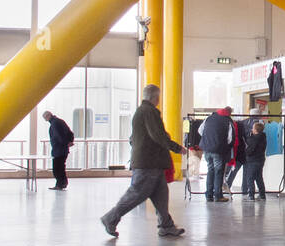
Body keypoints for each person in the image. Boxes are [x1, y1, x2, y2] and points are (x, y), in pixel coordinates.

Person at [100, 84, 186, 237]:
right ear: (156, 97)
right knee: (136, 194)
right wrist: (177, 148)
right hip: (149, 162)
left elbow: (136, 137)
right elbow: (158, 136)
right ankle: (110, 218)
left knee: (161, 195)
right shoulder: (149, 112)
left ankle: (166, 225)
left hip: (153, 162)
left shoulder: (142, 112)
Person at [199, 106, 236, 202]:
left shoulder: (209, 117)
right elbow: (231, 138)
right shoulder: (228, 121)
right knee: (218, 172)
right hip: (219, 150)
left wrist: (208, 139)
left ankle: (209, 195)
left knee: (210, 170)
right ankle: (218, 195)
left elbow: (200, 130)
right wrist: (226, 147)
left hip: (207, 149)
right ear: (229, 113)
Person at [42, 110, 75, 190]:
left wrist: (66, 143)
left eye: (45, 118)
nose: (45, 120)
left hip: (59, 149)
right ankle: (62, 184)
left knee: (57, 169)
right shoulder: (60, 121)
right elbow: (70, 133)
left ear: (48, 116)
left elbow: (58, 136)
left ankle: (60, 184)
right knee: (61, 167)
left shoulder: (54, 124)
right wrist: (70, 141)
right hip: (63, 149)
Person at [244, 120, 267, 199]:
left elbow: (250, 150)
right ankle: (262, 194)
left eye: (253, 128)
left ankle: (251, 195)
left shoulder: (254, 139)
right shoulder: (263, 137)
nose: (251, 129)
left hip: (253, 160)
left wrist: (245, 153)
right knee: (259, 177)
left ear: (256, 130)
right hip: (260, 159)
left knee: (250, 177)